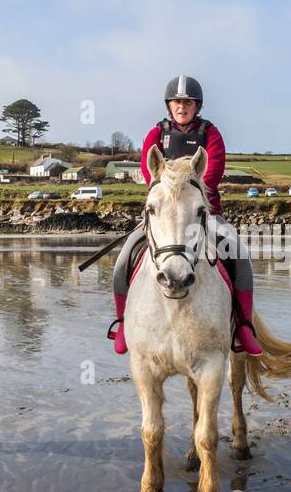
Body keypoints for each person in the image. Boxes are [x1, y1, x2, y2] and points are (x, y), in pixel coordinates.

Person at [108, 75, 261, 355]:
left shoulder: (210, 133)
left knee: (238, 254)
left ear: (196, 105)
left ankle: (243, 326)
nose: (182, 106)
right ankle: (121, 322)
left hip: (202, 211)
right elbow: (148, 167)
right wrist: (166, 190)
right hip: (164, 214)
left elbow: (212, 170)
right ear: (169, 105)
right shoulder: (157, 133)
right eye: (177, 102)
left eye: (188, 102)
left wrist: (190, 190)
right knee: (123, 259)